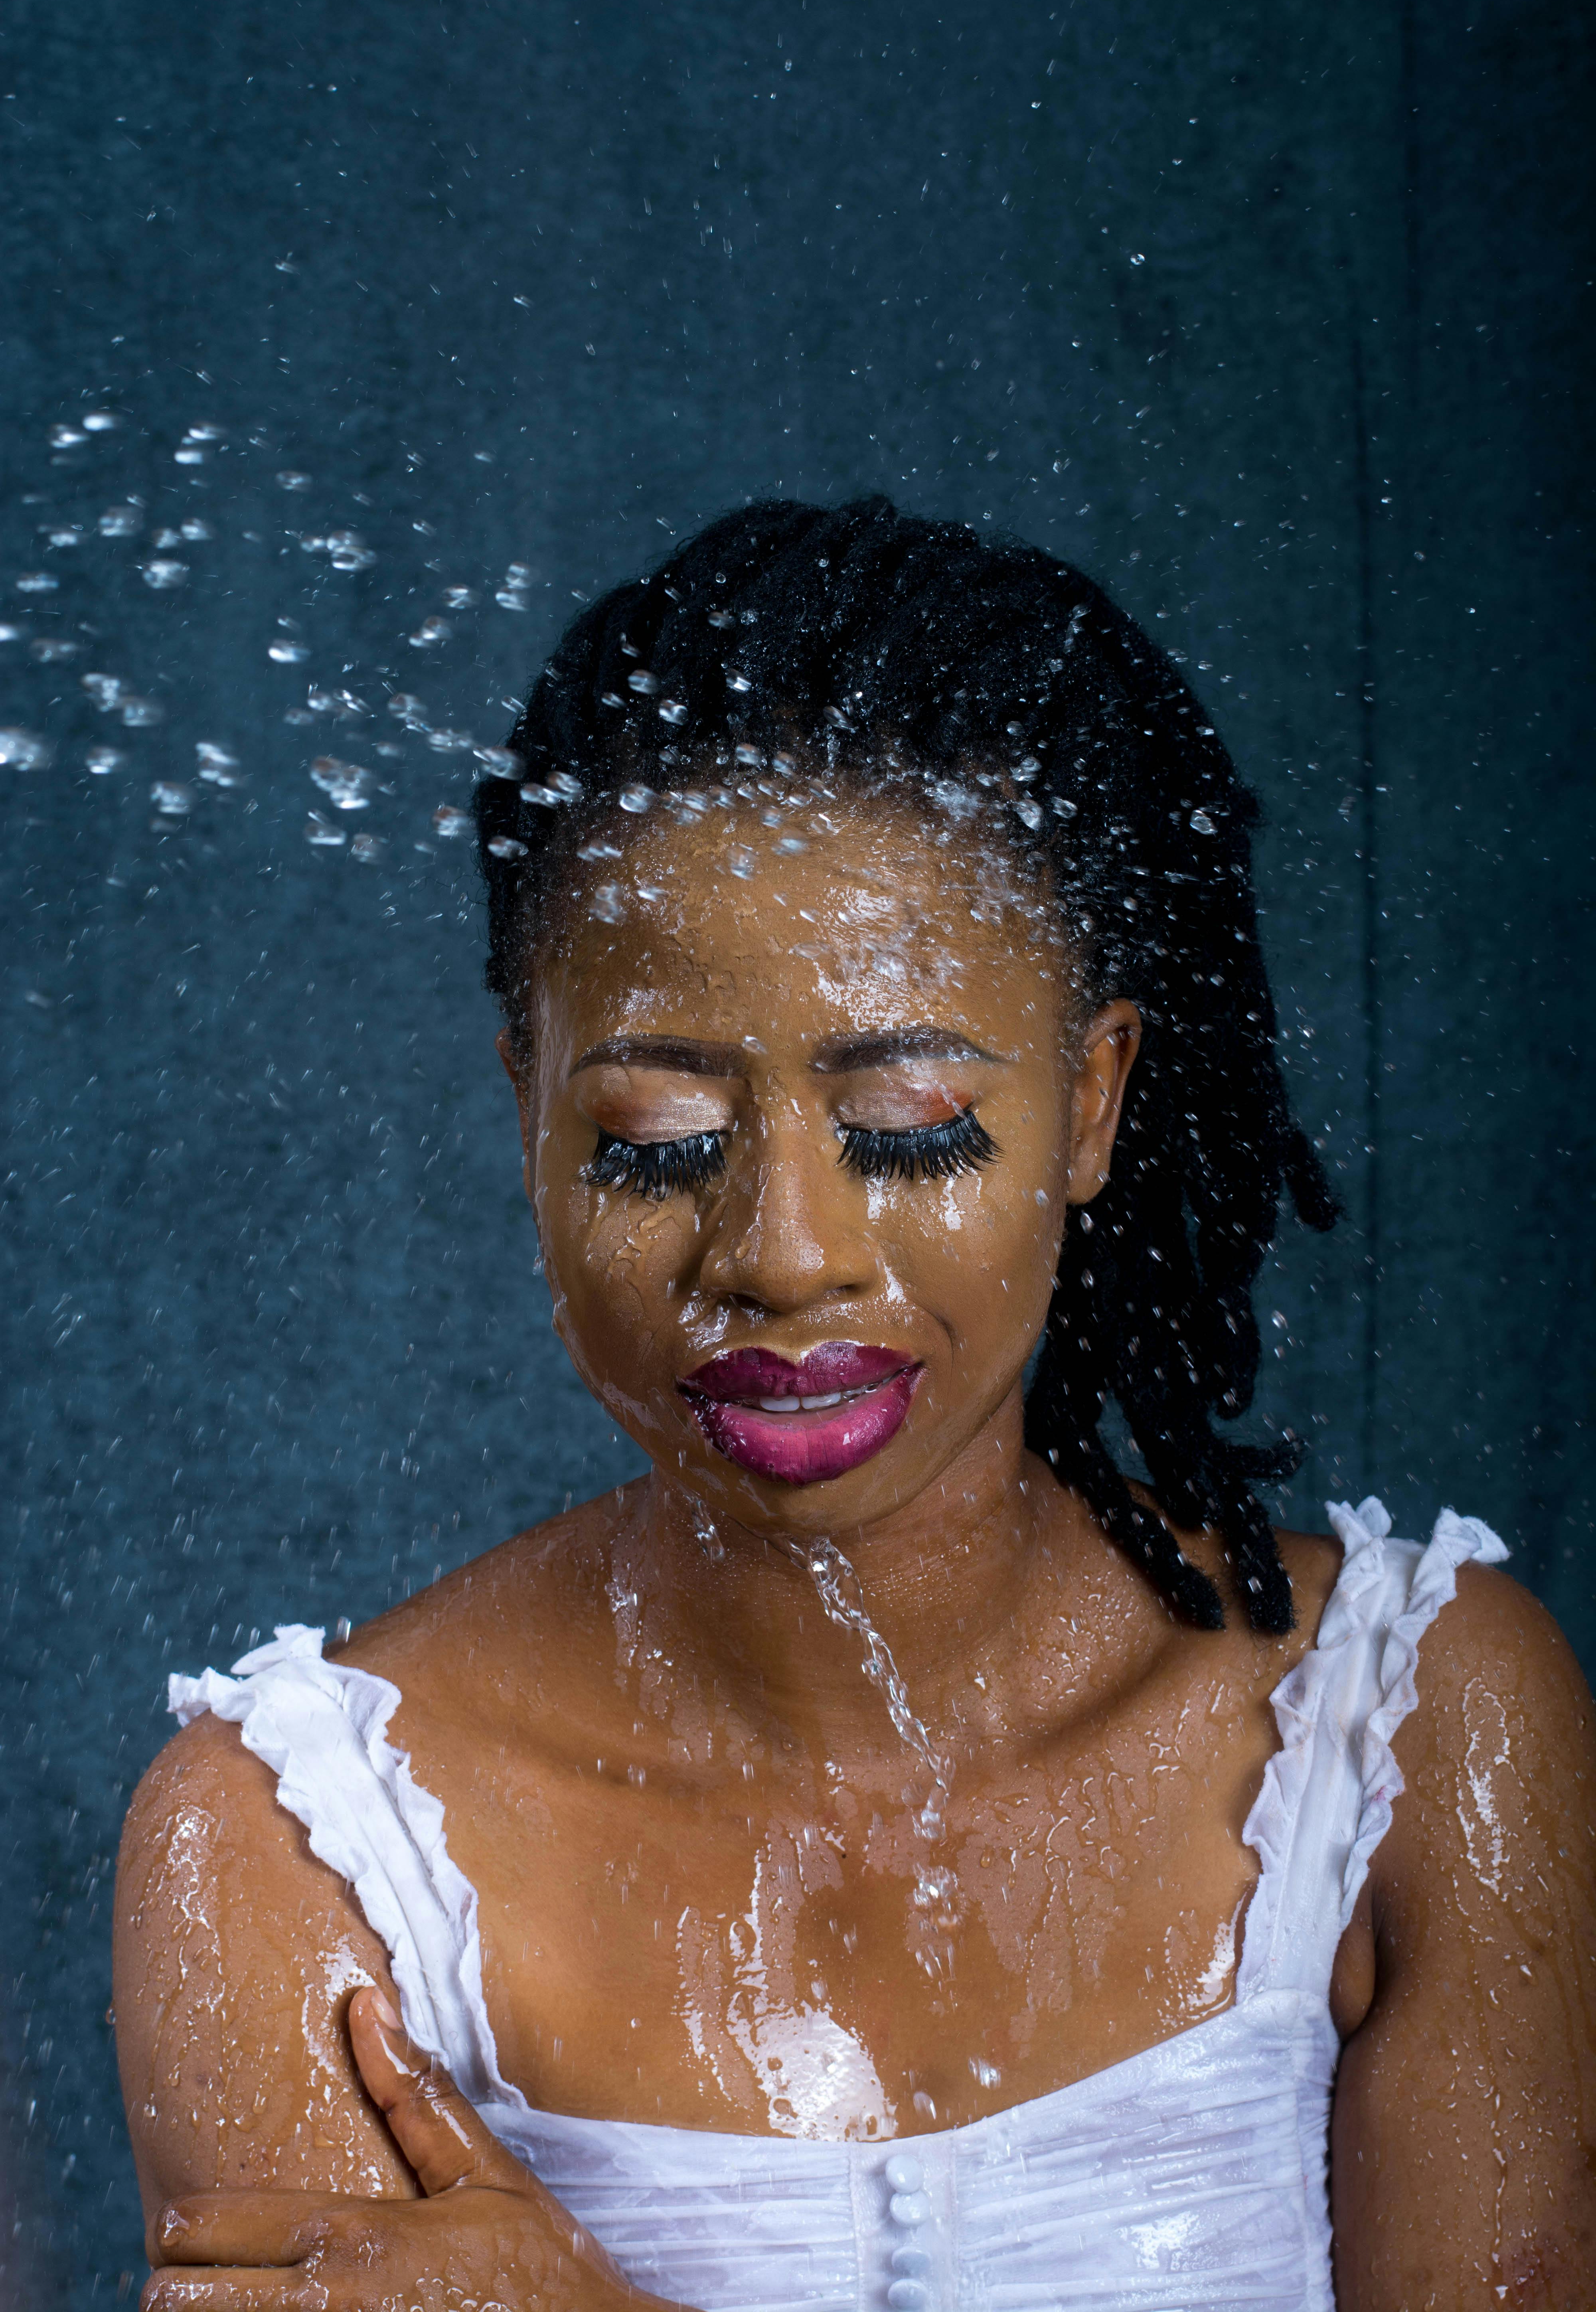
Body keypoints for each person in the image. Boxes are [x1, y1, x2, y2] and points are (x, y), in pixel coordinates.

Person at [115, 498, 1594, 2311]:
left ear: (1093, 1103)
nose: (783, 1252)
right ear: (527, 1114)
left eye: (910, 1127)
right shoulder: (289, 1855)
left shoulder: (1410, 1737)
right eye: (655, 1141)